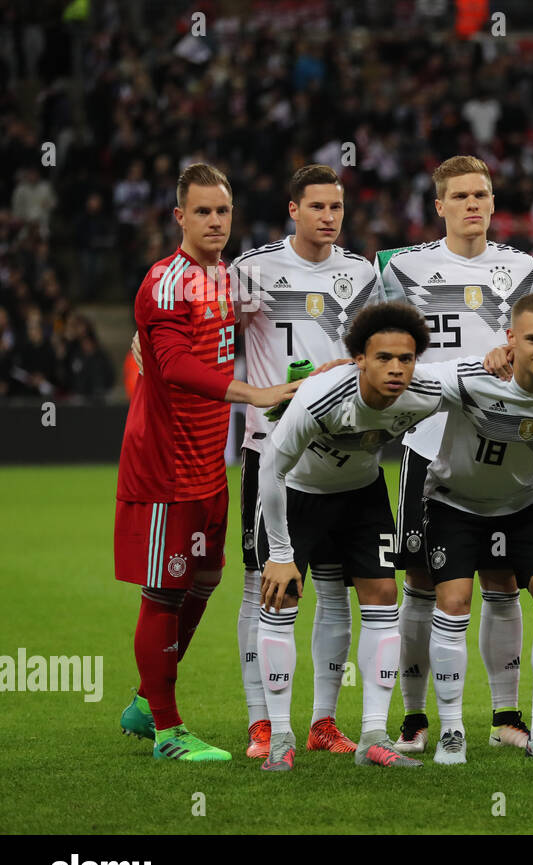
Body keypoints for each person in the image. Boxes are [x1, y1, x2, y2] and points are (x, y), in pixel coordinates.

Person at [115, 163, 299, 762]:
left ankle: (146, 703)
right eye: (202, 211)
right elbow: (172, 365)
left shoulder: (226, 278)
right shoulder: (166, 280)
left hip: (208, 462)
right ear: (180, 217)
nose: (215, 221)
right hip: (165, 465)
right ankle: (167, 730)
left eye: (222, 211)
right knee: (163, 591)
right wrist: (253, 394)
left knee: (206, 578)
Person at [375, 155, 533, 755]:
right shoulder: (403, 269)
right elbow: (382, 342)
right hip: (427, 444)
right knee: (422, 583)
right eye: (461, 196)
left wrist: (514, 358)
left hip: (501, 449)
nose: (473, 204)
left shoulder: (522, 269)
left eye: (482, 195)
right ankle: (416, 718)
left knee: (503, 580)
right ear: (439, 205)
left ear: (493, 203)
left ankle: (506, 716)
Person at [228, 163, 380, 761]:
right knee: (262, 585)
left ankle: (323, 721)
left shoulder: (361, 274)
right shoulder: (254, 270)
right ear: (293, 210)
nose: (328, 216)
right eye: (317, 206)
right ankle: (262, 722)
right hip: (273, 450)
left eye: (336, 207)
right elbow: (212, 333)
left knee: (336, 589)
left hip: (342, 455)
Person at [256, 302, 441, 771]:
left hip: (362, 496)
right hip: (296, 494)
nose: (396, 368)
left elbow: (472, 376)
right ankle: (280, 735)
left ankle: (373, 736)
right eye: (384, 358)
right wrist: (281, 553)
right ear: (359, 359)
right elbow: (270, 467)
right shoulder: (321, 396)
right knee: (280, 600)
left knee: (383, 598)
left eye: (406, 358)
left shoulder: (425, 391)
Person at [419, 294, 533, 765]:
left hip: (523, 503)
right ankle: (452, 731)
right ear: (510, 339)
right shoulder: (470, 377)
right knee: (454, 602)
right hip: (454, 503)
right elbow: (402, 375)